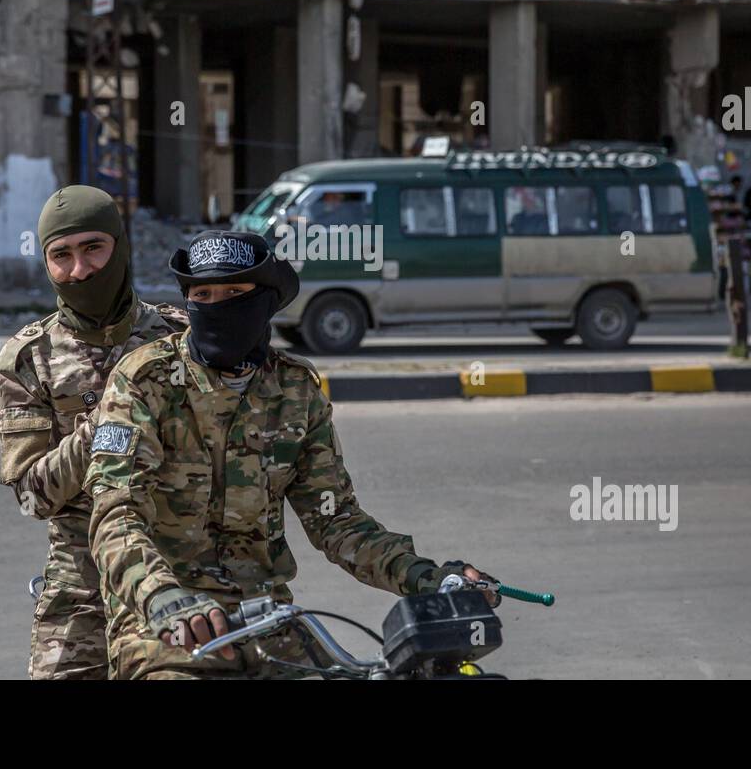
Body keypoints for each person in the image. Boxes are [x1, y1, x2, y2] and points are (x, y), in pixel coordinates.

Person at [82, 231, 495, 679]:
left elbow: (336, 521)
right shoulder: (143, 380)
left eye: (234, 293)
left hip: (268, 626)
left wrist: (430, 579)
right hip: (165, 629)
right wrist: (162, 596)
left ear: (265, 302)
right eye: (202, 294)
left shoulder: (295, 390)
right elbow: (115, 514)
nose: (216, 304)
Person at [0, 185, 186, 679]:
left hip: (181, 573)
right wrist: (108, 423)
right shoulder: (28, 359)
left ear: (121, 247)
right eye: (62, 255)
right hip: (83, 584)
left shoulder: (182, 338)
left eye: (93, 248)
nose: (80, 270)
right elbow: (33, 498)